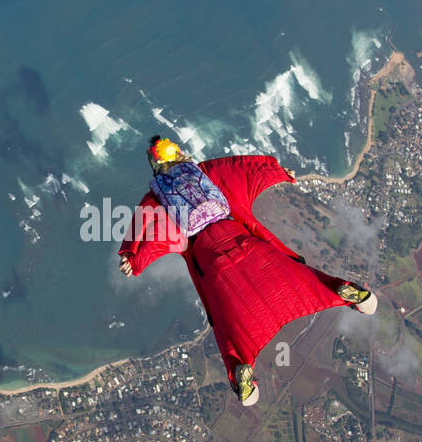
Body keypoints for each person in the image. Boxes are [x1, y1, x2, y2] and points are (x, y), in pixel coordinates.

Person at [118, 136, 376, 406]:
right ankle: (342, 292)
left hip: (210, 257)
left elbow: (145, 221)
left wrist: (133, 257)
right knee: (298, 278)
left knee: (228, 326)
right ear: (179, 154)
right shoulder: (205, 171)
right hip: (241, 238)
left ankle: (242, 369)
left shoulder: (155, 196)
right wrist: (276, 172)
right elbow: (241, 167)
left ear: (155, 165)